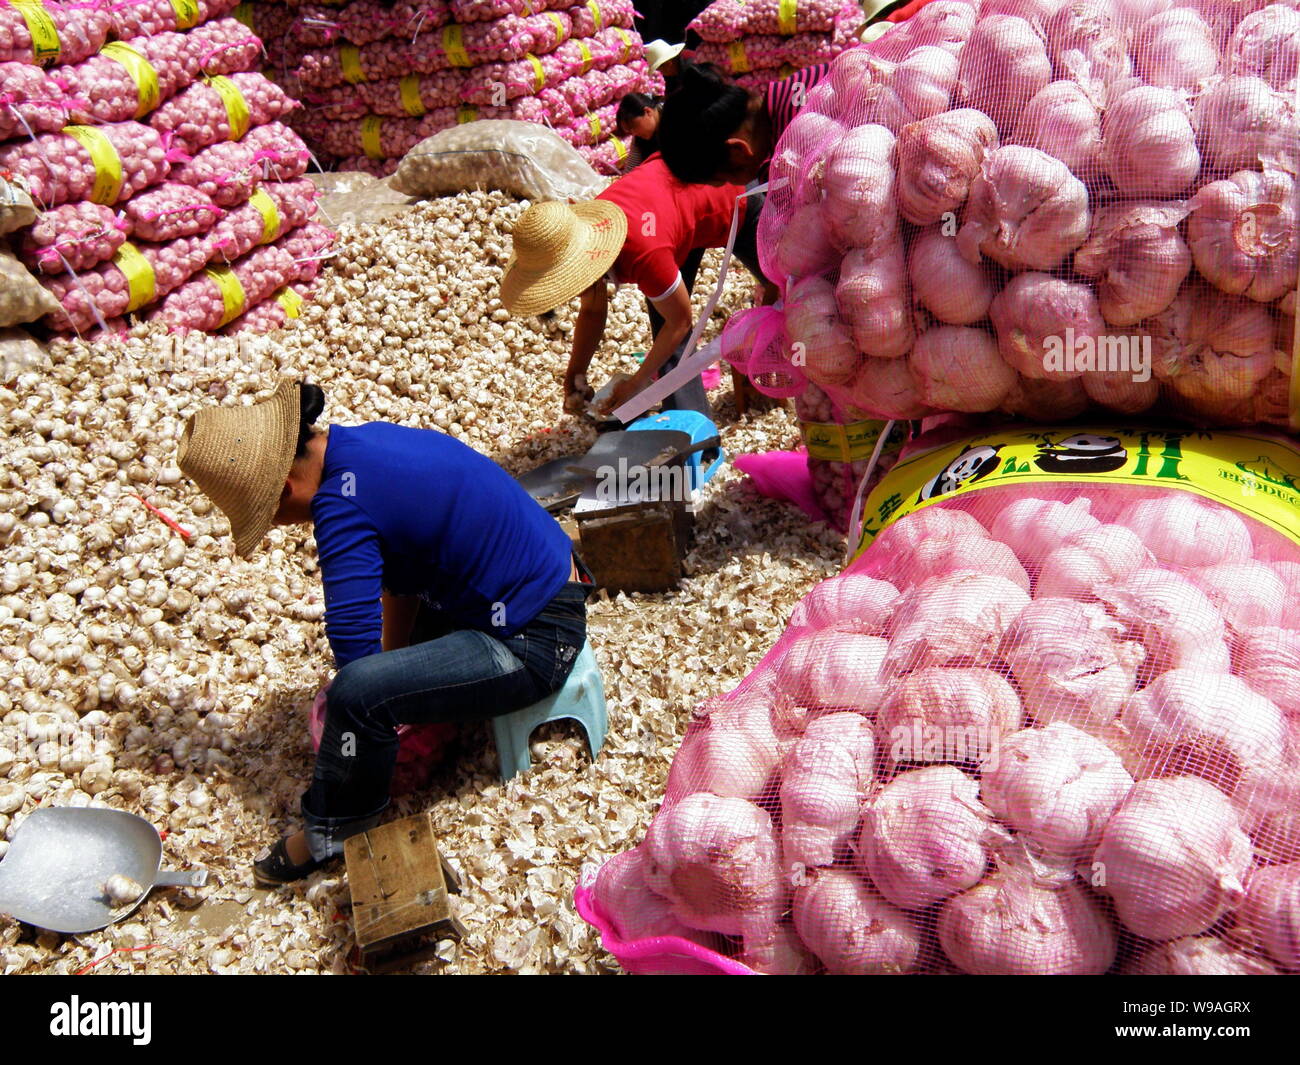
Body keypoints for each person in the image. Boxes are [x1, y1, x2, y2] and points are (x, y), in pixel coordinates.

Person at [177, 379, 589, 884]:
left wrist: (367, 707)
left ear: (286, 490)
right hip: (549, 574)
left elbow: (353, 649)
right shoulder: (362, 445)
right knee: (373, 685)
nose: (284, 524)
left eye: (273, 515)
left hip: (536, 640)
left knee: (357, 696)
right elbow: (402, 575)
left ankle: (333, 829)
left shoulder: (339, 505)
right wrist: (394, 663)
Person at [500, 155, 773, 419]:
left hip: (731, 195)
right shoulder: (592, 230)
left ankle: (801, 382)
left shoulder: (643, 253)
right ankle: (690, 427)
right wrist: (576, 372)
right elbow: (593, 309)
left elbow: (680, 321)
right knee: (665, 331)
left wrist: (638, 384)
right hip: (675, 210)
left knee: (790, 291)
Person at [657, 60, 833, 186]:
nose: (731, 185)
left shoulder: (789, 163)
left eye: (724, 179)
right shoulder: (803, 80)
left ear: (738, 150)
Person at [615, 92, 662, 170]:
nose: (634, 133)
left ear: (648, 112)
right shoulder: (639, 139)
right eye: (630, 131)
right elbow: (631, 169)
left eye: (634, 126)